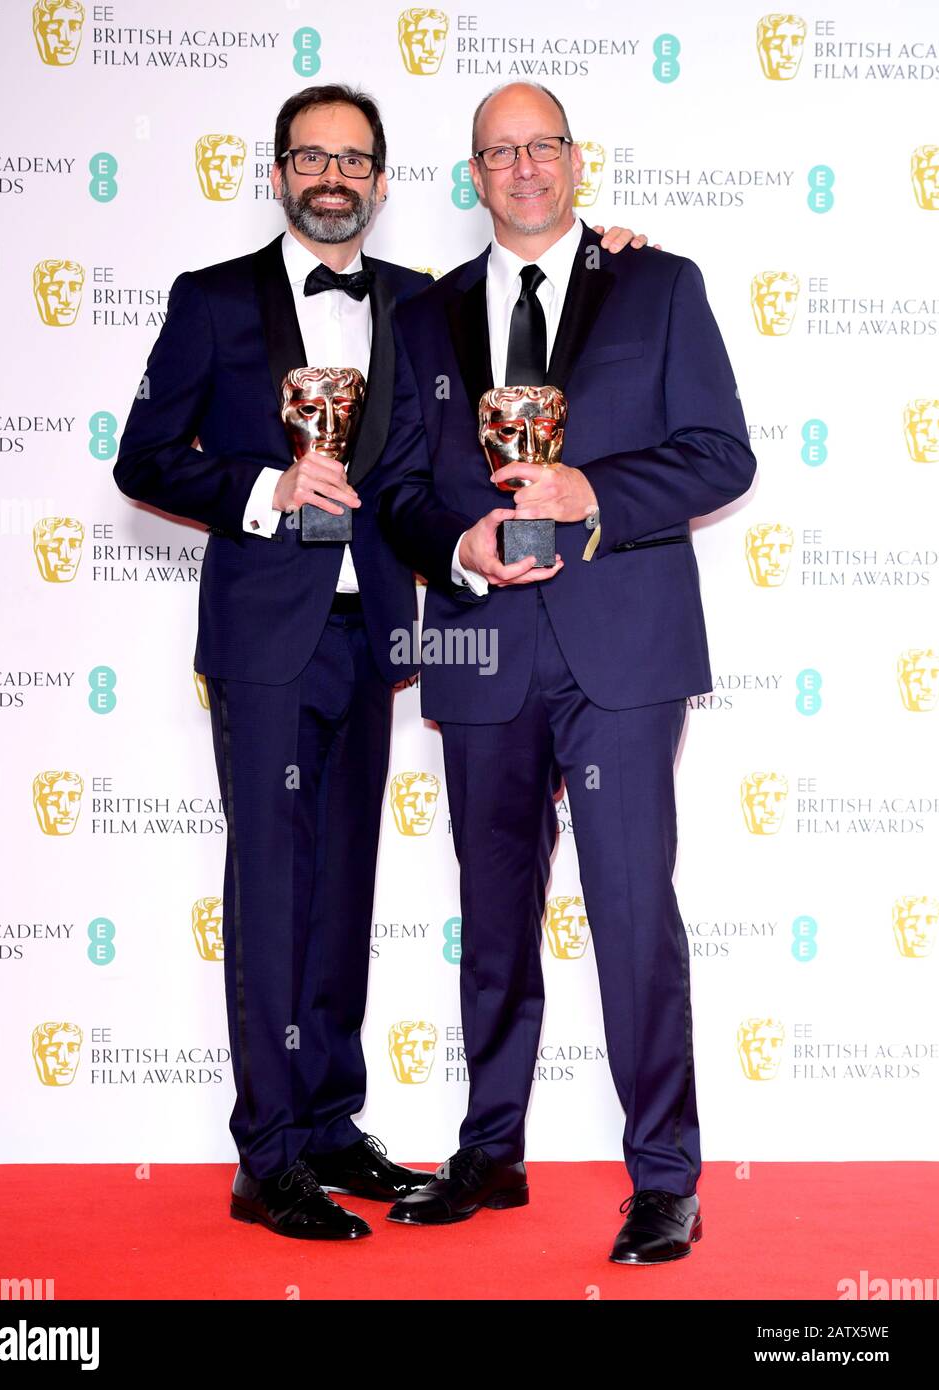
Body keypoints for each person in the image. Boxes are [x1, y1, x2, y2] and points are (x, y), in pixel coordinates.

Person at [114, 81, 652, 1241]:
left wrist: (610, 253)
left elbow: (544, 303)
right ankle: (267, 1157)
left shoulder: (425, 306)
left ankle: (328, 1120)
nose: (332, 177)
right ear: (276, 173)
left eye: (354, 160)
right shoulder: (210, 302)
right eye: (311, 157)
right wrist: (261, 488)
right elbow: (143, 457)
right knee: (270, 885)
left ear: (385, 179)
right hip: (264, 637)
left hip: (381, 637)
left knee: (343, 884)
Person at [376, 80, 757, 1264]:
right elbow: (393, 489)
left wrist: (593, 494)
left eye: (542, 144)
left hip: (622, 651)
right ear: (474, 174)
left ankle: (665, 1179)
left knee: (635, 915)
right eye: (499, 150)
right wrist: (457, 542)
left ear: (576, 160)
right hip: (481, 642)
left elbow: (718, 455)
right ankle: (489, 1151)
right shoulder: (421, 317)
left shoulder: (660, 283)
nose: (524, 166)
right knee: (492, 920)